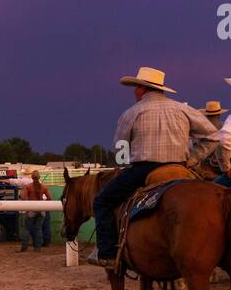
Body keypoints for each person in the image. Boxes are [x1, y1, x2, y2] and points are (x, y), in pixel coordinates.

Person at [91, 67, 219, 268]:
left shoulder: (131, 113)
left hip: (143, 170)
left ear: (142, 89)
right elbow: (212, 136)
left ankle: (107, 253)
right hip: (180, 168)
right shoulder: (184, 110)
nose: (134, 91)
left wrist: (126, 161)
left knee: (102, 201)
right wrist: (193, 159)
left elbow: (120, 149)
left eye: (135, 87)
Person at [18, 170, 52, 251]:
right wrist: (42, 205)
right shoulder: (44, 187)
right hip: (41, 210)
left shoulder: (28, 186)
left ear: (32, 177)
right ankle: (37, 248)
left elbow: (23, 198)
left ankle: (24, 247)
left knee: (27, 228)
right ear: (39, 177)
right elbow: (49, 198)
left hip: (31, 210)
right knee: (39, 228)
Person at [195, 101, 229, 177]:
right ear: (219, 114)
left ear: (206, 114)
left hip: (203, 165)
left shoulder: (200, 127)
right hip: (222, 165)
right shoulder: (226, 126)